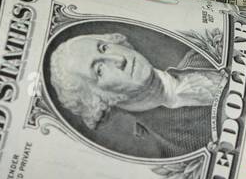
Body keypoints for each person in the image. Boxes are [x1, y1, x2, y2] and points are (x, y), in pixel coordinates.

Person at [47, 31, 223, 159]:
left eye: (104, 48)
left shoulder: (204, 54)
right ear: (98, 100)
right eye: (100, 69)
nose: (119, 60)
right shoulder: (174, 149)